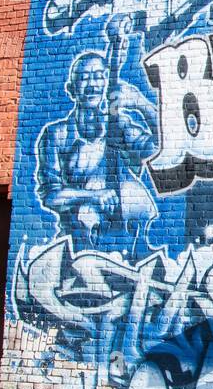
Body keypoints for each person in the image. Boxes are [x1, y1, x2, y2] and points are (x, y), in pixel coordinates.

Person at [36, 50, 158, 256]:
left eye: (99, 76)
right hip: (79, 245)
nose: (92, 85)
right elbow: (51, 196)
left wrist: (141, 104)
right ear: (71, 89)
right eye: (84, 78)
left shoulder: (119, 125)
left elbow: (160, 148)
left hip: (133, 253)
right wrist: (92, 196)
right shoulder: (56, 135)